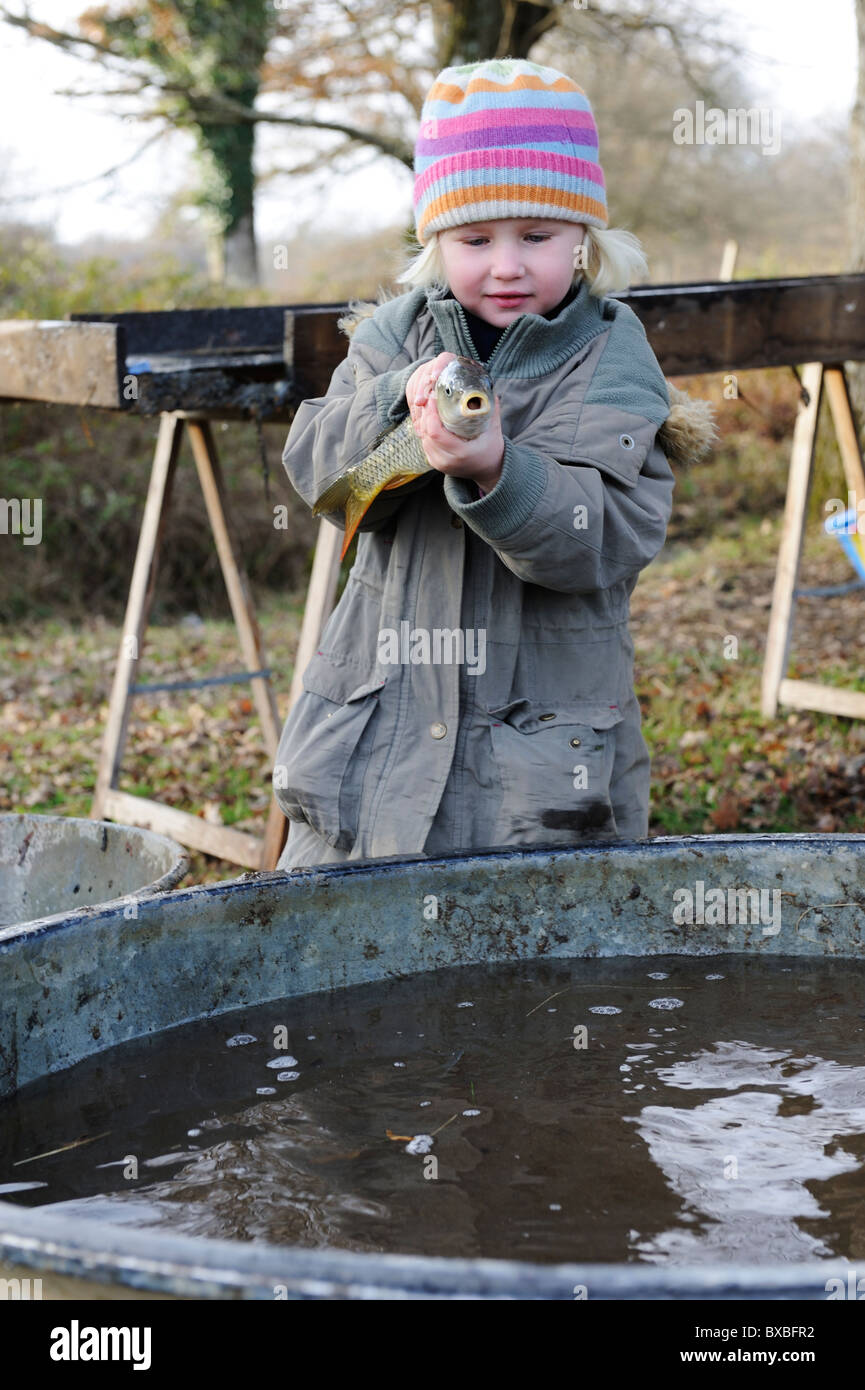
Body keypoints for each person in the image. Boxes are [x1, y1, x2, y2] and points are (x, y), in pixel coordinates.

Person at [272, 57, 717, 870]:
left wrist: (497, 472)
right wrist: (389, 402)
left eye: (537, 236)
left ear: (584, 239)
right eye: (475, 239)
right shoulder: (387, 339)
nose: (506, 265)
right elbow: (315, 472)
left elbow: (605, 538)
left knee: (535, 978)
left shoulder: (613, 362)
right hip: (371, 749)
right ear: (434, 240)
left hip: (537, 776)